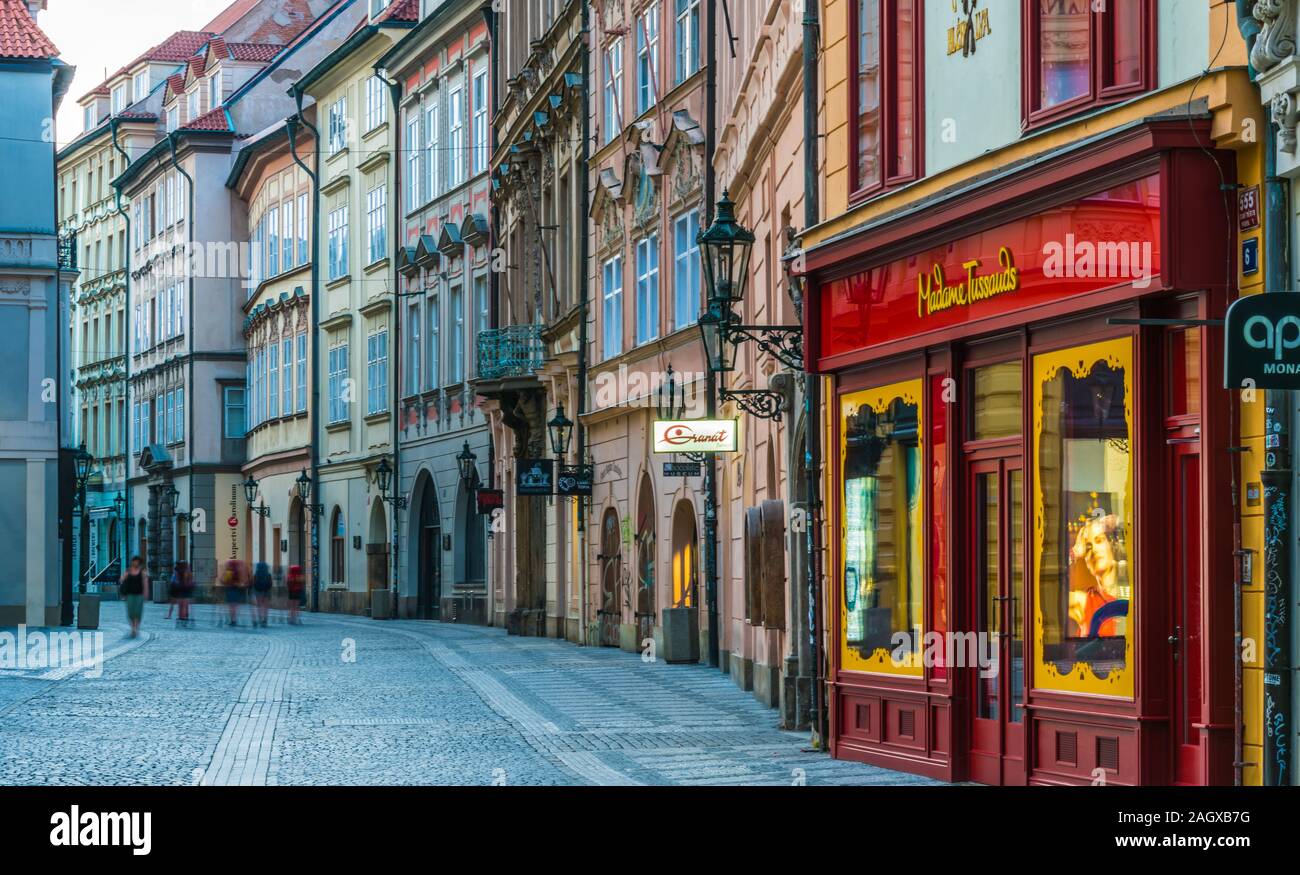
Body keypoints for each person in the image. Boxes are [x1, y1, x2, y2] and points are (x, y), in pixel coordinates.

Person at [119, 556, 149, 638]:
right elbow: (121, 581)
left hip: (139, 595)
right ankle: (133, 627)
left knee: (138, 612)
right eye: (134, 561)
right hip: (129, 595)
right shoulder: (128, 571)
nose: (135, 563)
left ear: (139, 563)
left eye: (137, 561)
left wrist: (146, 594)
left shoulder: (142, 572)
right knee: (130, 612)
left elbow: (145, 584)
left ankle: (135, 628)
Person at [221, 559, 246, 627]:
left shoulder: (228, 571)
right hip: (236, 589)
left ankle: (232, 620)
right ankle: (234, 620)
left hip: (229, 589)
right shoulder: (238, 571)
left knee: (231, 606)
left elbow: (222, 580)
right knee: (235, 606)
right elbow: (242, 581)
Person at [171, 561, 194, 627]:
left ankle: (181, 617)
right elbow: (188, 581)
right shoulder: (187, 572)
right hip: (186, 589)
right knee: (184, 604)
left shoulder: (178, 571)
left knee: (180, 605)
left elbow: (176, 580)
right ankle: (184, 617)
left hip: (180, 589)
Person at [252, 561, 273, 627]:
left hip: (258, 590)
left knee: (259, 605)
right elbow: (270, 583)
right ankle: (265, 620)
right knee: (266, 606)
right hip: (267, 590)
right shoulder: (268, 574)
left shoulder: (256, 574)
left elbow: (254, 583)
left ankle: (260, 619)